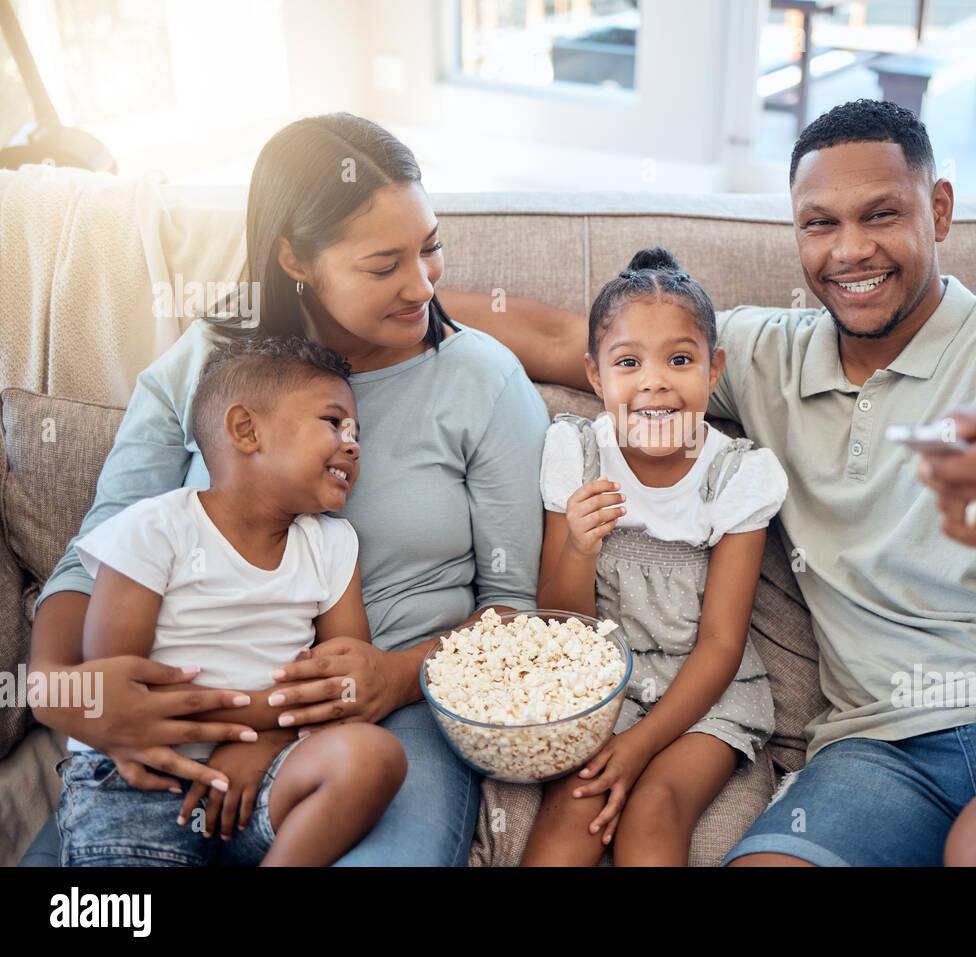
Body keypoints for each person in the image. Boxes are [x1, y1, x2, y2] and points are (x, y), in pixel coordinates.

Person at [456, 100, 976, 867]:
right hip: (881, 749)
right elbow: (561, 336)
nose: (851, 251)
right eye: (821, 224)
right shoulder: (757, 355)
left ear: (939, 209)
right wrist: (369, 304)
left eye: (882, 215)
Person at [23, 113, 555, 866]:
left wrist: (398, 674)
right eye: (383, 266)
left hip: (385, 715)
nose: (423, 285)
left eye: (431, 247)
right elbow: (95, 551)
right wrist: (61, 692)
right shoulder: (205, 368)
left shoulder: (483, 380)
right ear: (295, 258)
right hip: (188, 714)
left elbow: (514, 609)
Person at [57, 336, 406, 866]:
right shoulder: (155, 529)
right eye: (334, 423)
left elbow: (339, 691)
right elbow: (120, 688)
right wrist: (258, 726)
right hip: (140, 780)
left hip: (263, 778)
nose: (353, 444)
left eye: (356, 432)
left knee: (373, 757)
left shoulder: (332, 544)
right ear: (246, 430)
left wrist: (262, 746)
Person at [520, 248, 787, 866]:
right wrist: (581, 549)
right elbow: (561, 627)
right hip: (602, 684)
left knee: (655, 808)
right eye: (628, 362)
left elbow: (722, 644)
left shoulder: (736, 476)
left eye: (680, 359)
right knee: (576, 803)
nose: (654, 381)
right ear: (595, 376)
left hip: (707, 694)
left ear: (713, 368)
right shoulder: (577, 455)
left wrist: (639, 745)